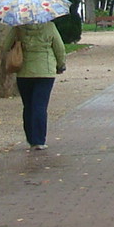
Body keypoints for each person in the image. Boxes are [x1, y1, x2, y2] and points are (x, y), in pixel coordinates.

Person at [8, 19, 68, 150]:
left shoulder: (18, 28)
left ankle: (31, 139)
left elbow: (5, 46)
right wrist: (61, 65)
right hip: (45, 71)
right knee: (40, 106)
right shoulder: (49, 26)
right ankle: (39, 140)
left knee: (28, 106)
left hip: (24, 72)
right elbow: (59, 48)